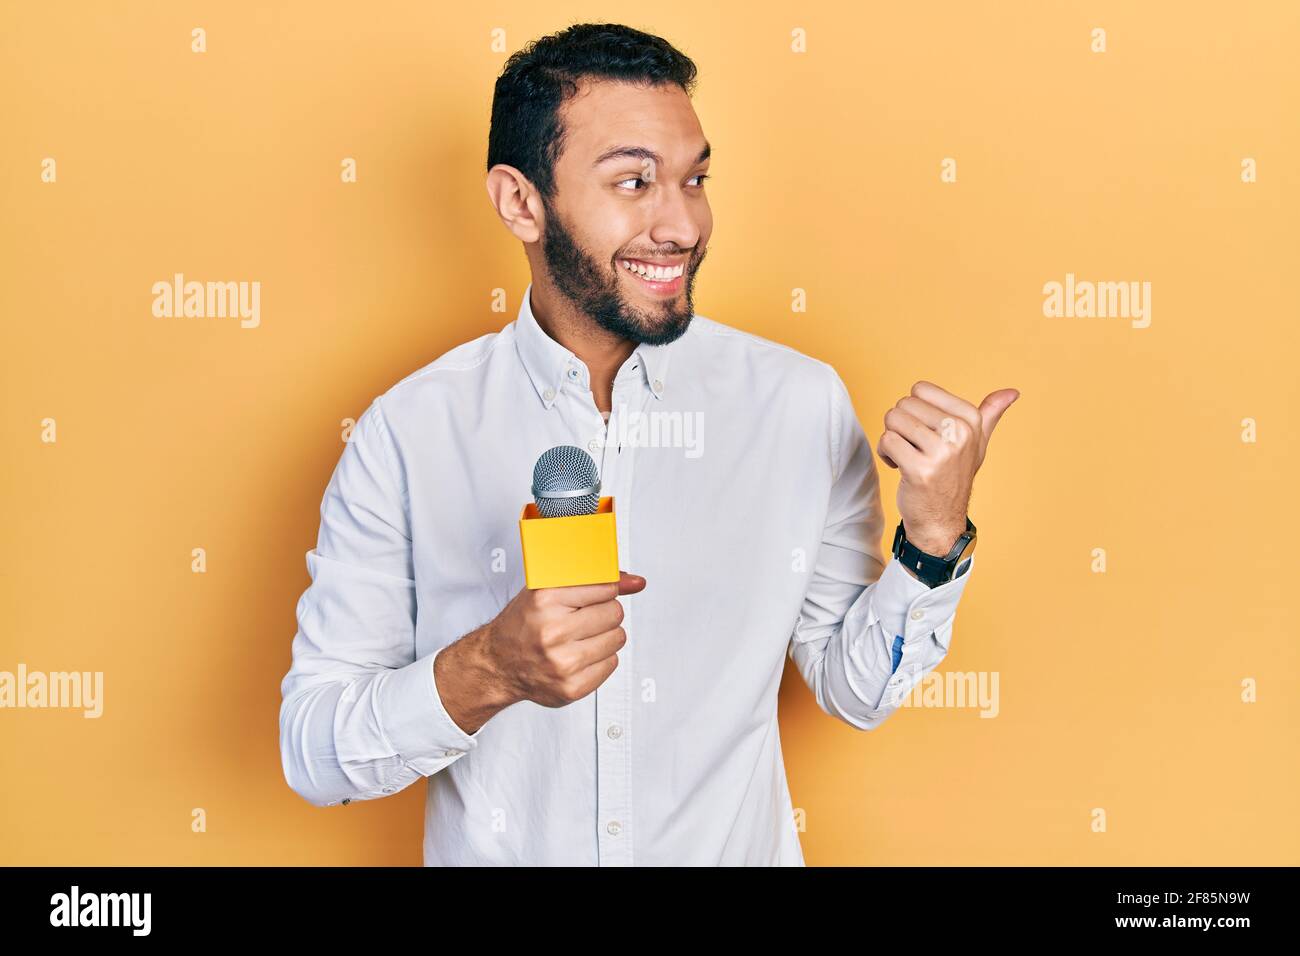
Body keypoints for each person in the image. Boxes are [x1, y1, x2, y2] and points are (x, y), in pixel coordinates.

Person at [278, 22, 1018, 865]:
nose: (682, 225)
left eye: (694, 178)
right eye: (634, 180)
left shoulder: (797, 405)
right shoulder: (409, 433)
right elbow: (313, 753)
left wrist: (931, 539)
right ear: (521, 202)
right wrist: (487, 669)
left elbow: (855, 692)